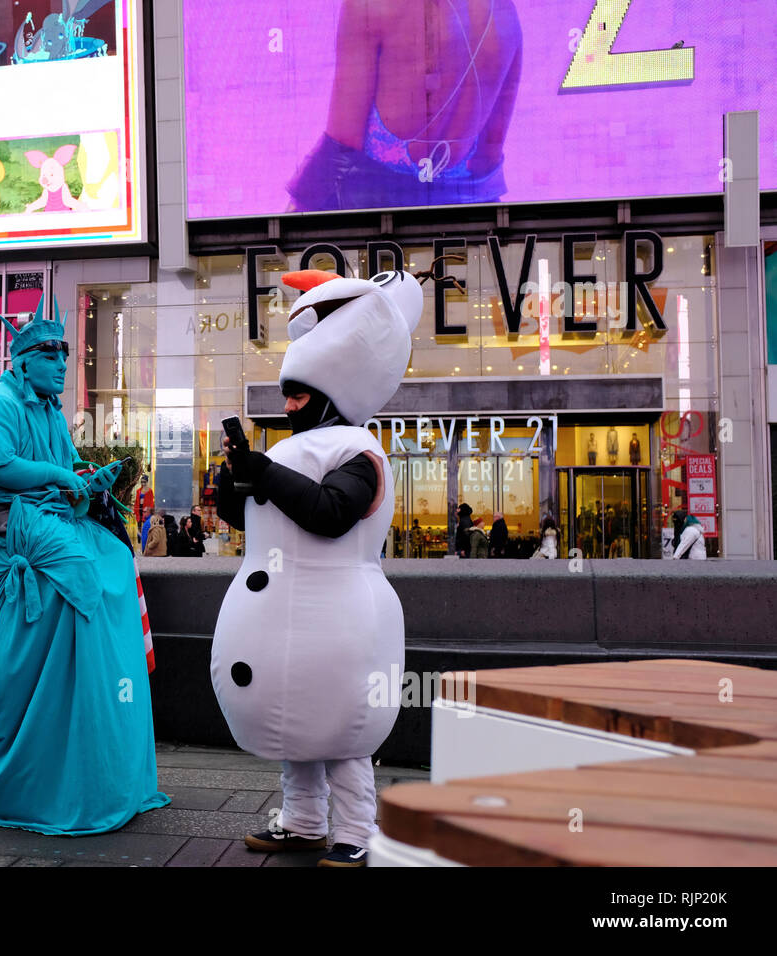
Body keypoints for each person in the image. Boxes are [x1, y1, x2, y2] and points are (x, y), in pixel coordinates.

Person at [213, 265, 421, 868]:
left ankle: (356, 831)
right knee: (295, 732)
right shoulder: (284, 450)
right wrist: (236, 477)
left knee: (342, 734)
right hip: (282, 623)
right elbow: (247, 516)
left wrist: (267, 474)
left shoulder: (358, 450)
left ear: (329, 394)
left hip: (340, 622)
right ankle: (302, 822)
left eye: (299, 395)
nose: (288, 404)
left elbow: (332, 513)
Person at [0, 303, 169, 834]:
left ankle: (98, 749)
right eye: (51, 354)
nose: (62, 364)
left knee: (115, 557)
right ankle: (29, 766)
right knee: (84, 576)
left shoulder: (48, 410)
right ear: (23, 361)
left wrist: (90, 481)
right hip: (10, 532)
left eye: (65, 353)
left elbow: (68, 471)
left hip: (49, 518)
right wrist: (61, 478)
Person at [287, 0, 522, 213]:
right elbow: (488, 161)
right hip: (456, 233)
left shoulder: (370, 6)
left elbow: (341, 146)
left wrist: (283, 227)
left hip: (375, 233)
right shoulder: (505, 13)